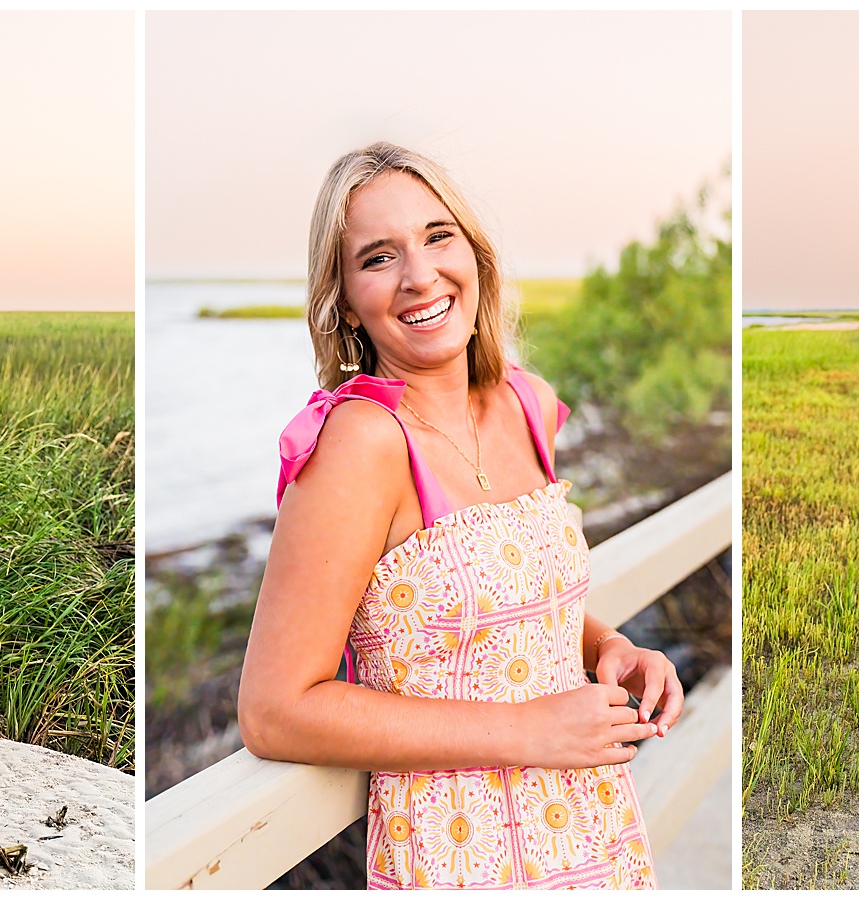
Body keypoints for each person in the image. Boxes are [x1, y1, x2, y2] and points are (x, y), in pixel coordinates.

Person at [237, 143, 679, 889]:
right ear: (345, 298)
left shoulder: (526, 404)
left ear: (475, 252)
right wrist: (530, 732)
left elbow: (506, 609)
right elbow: (274, 710)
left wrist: (611, 645)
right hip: (459, 853)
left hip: (595, 826)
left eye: (438, 236)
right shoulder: (362, 445)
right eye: (378, 257)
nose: (419, 275)